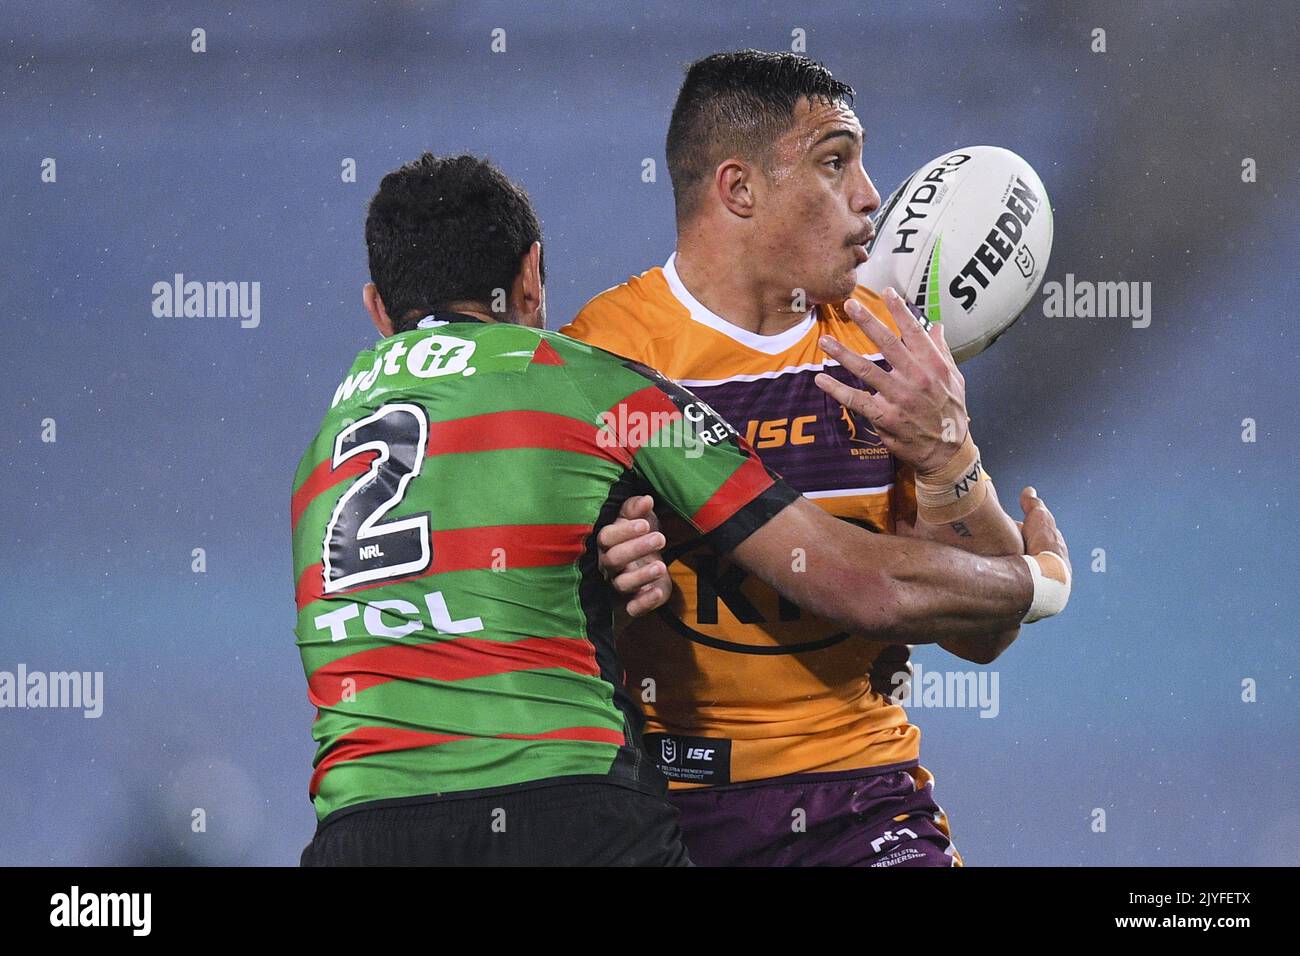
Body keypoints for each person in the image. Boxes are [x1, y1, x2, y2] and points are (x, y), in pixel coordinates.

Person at [291, 151, 1069, 866]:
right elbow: (858, 583)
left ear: (377, 309)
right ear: (531, 277)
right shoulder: (590, 379)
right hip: (566, 810)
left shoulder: (320, 454)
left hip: (358, 827)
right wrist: (1038, 580)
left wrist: (611, 581)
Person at [565, 50, 1059, 866]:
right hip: (663, 806)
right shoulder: (605, 354)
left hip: (860, 799)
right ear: (739, 190)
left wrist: (950, 458)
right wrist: (602, 575)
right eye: (836, 163)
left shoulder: (882, 346)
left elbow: (983, 639)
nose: (871, 196)